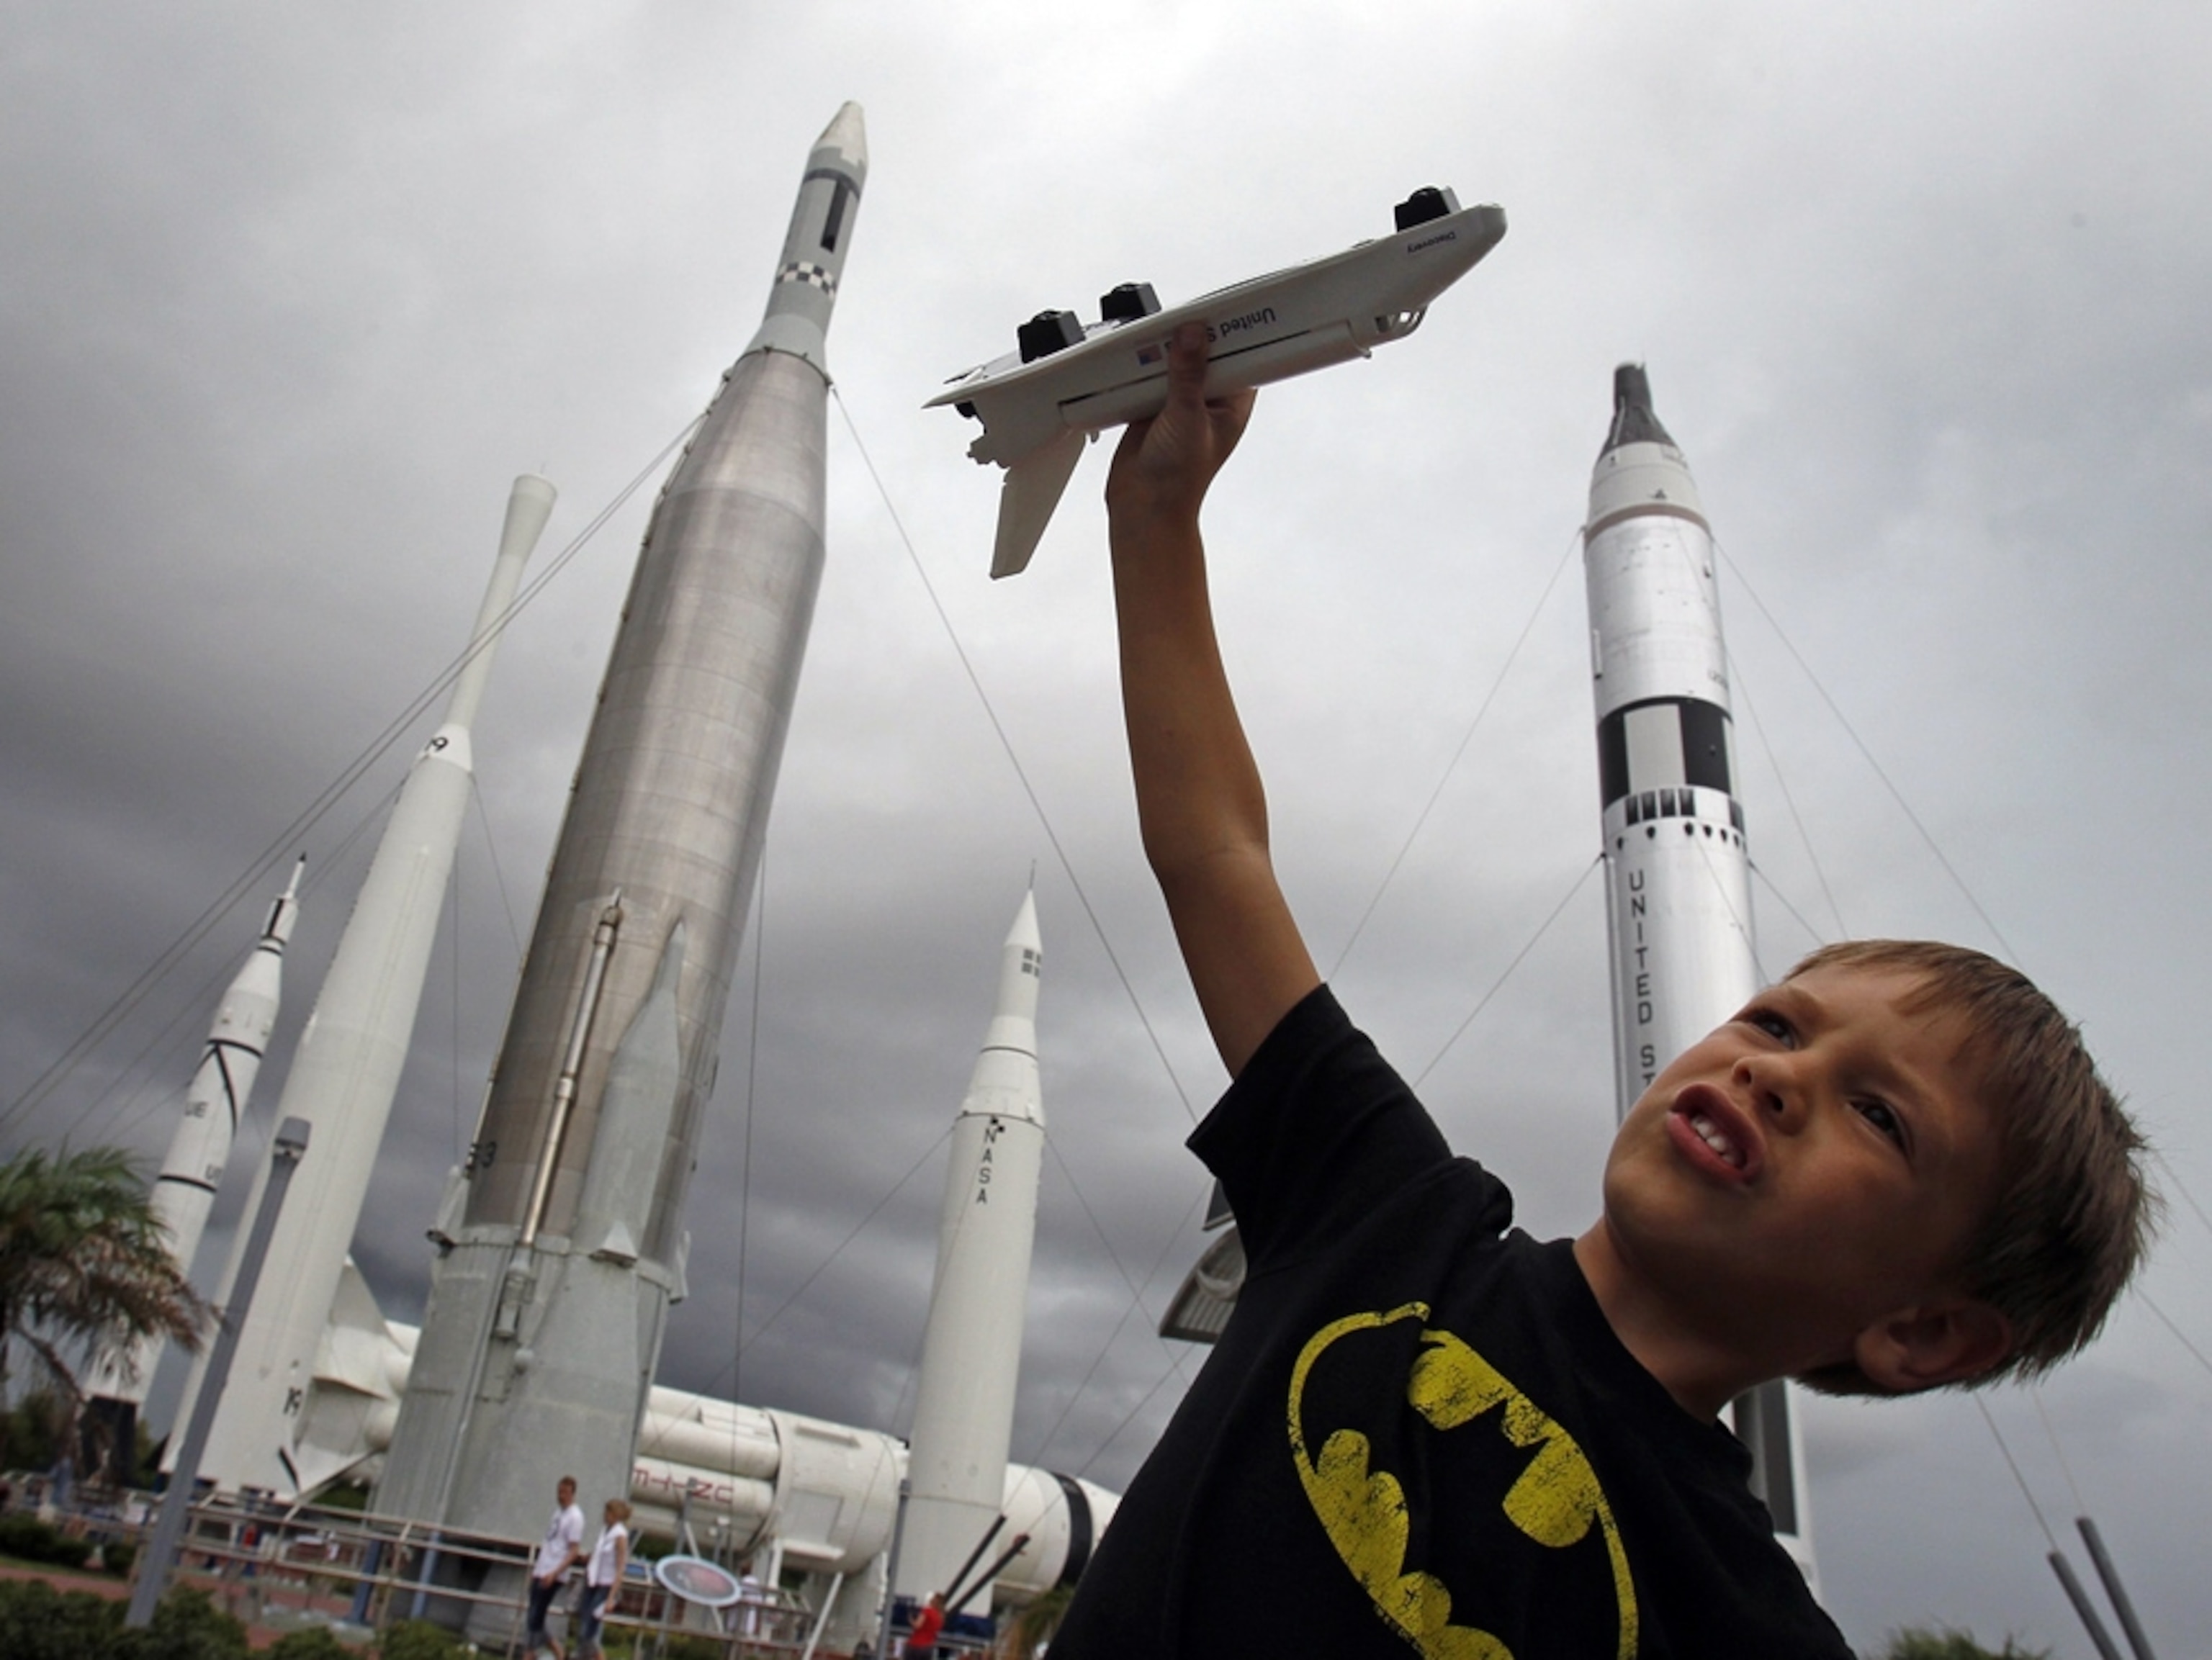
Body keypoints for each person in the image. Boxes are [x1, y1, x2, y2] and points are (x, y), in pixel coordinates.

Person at [1043, 325, 2153, 1658]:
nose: (1776, 1072)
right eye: (1776, 1021)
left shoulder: (1749, 1633)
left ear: (1919, 1330)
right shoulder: (1386, 1218)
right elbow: (1217, 854)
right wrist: (1155, 518)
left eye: (1880, 1115)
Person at [525, 1475, 585, 1659]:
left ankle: (530, 1653)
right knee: (534, 1614)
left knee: (536, 1614)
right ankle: (556, 1650)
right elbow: (550, 1542)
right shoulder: (558, 1513)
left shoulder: (575, 1517)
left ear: (572, 1493)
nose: (561, 1496)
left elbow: (574, 1550)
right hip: (543, 1568)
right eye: (559, 1492)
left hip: (554, 1572)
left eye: (565, 1492)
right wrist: (536, 1569)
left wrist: (555, 1572)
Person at [574, 1498, 630, 1660]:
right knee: (585, 1626)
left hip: (605, 1585)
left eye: (608, 1512)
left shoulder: (620, 1536)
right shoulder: (605, 1531)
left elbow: (620, 1568)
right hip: (593, 1581)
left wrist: (611, 1597)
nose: (604, 1516)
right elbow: (600, 1554)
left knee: (589, 1629)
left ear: (614, 1515)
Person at [904, 1591, 945, 1659]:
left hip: (916, 1644)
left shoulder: (927, 1611)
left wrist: (911, 1620)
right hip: (928, 1646)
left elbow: (917, 1625)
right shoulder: (940, 1617)